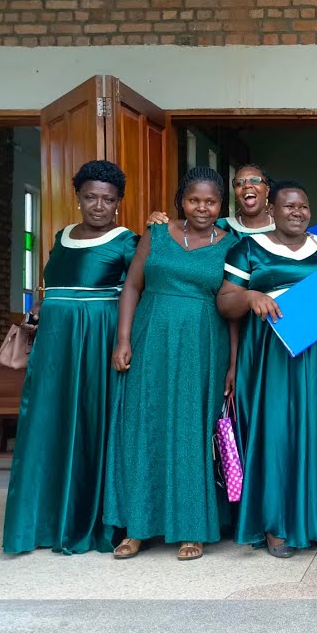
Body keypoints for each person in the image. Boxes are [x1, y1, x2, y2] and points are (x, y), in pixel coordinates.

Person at [218, 181, 317, 558]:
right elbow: (225, 302)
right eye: (289, 206)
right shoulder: (248, 249)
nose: (297, 212)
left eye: (303, 206)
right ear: (273, 207)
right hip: (272, 358)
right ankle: (277, 527)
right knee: (277, 434)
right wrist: (250, 295)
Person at [103, 167, 239, 562]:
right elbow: (132, 285)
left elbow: (232, 308)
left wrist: (232, 364)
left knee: (191, 431)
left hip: (203, 345)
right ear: (182, 200)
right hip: (150, 340)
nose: (202, 208)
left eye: (211, 201)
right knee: (144, 425)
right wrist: (123, 339)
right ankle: (137, 528)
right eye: (194, 200)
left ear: (220, 205)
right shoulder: (156, 235)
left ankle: (191, 529)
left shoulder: (231, 244)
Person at [2, 160, 138, 555]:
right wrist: (41, 308)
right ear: (77, 197)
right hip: (56, 344)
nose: (99, 205)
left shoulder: (128, 240)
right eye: (91, 197)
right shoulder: (61, 237)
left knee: (94, 424)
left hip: (98, 340)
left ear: (118, 202)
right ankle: (41, 521)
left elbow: (135, 295)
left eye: (108, 199)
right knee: (48, 422)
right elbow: (53, 287)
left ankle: (92, 520)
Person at [147, 164, 275, 237]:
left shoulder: (283, 227)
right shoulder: (219, 226)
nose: (247, 185)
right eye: (239, 183)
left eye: (255, 180)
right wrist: (156, 225)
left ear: (267, 190)